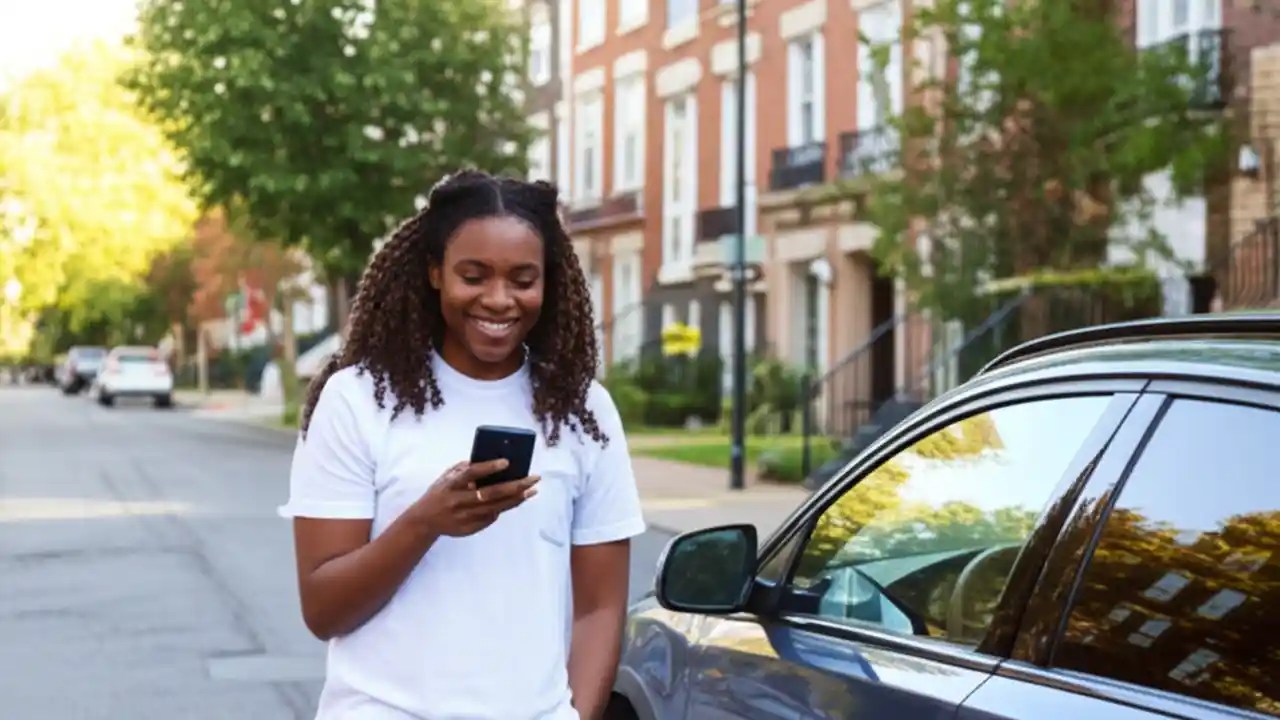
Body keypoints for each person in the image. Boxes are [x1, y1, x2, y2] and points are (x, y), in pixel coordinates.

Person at [279, 170, 646, 719]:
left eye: (523, 279)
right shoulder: (358, 400)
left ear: (549, 281)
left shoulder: (582, 411)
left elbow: (599, 607)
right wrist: (425, 522)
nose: (499, 300)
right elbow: (324, 609)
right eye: (473, 276)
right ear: (434, 272)